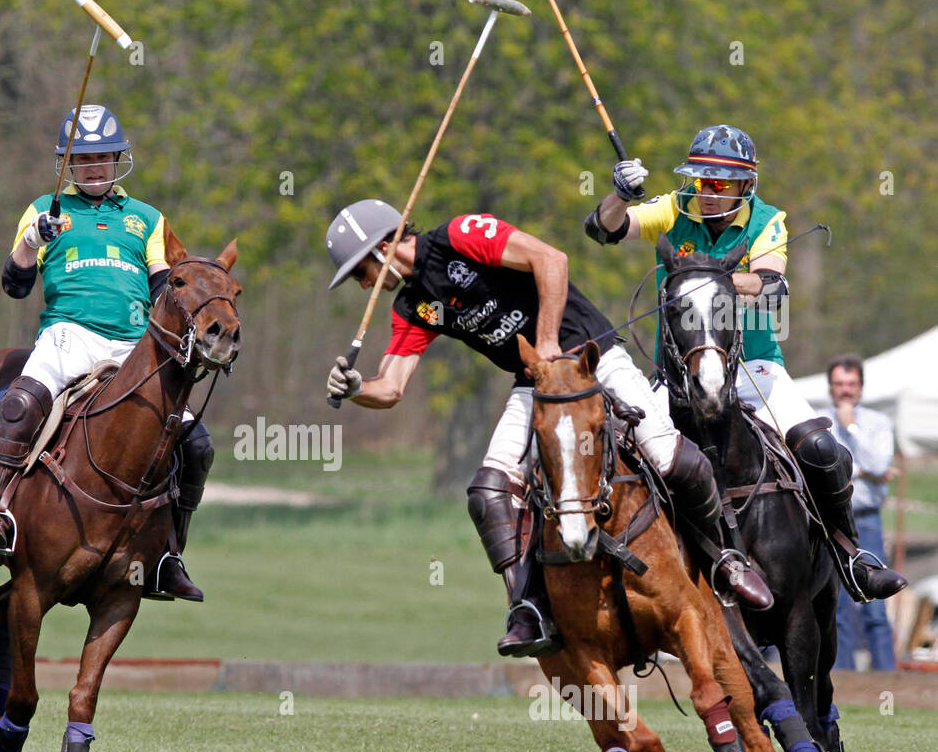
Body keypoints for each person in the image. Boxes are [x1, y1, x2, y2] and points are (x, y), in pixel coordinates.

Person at [323, 199, 772, 656]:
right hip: (535, 381)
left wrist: (547, 341)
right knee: (489, 491)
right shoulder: (413, 304)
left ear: (381, 250)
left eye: (360, 273)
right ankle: (528, 606)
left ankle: (727, 559)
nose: (363, 286)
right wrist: (357, 387)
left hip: (589, 353)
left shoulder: (460, 235)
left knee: (668, 455)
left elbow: (550, 259)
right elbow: (392, 387)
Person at [585, 124, 906, 605]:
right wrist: (619, 195)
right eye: (699, 180)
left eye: (719, 184)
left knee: (822, 448)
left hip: (754, 370)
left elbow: (772, 286)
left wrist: (711, 281)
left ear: (745, 186)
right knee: (618, 454)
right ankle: (608, 575)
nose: (707, 193)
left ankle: (850, 557)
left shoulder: (767, 220)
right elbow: (603, 229)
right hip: (678, 379)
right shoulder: (674, 208)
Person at [0, 104, 213, 601]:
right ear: (67, 163)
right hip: (67, 335)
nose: (95, 165)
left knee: (197, 443)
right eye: (83, 158)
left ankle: (169, 552)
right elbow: (13, 284)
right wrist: (30, 241)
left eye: (104, 155)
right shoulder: (46, 209)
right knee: (18, 404)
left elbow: (165, 285)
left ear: (118, 157)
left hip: (134, 347)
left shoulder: (147, 218)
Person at [827, 355, 897, 670]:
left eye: (851, 384)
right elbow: (825, 471)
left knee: (876, 604)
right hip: (831, 522)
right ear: (830, 387)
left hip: (866, 519)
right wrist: (865, 471)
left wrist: (850, 427)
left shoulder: (877, 423)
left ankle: (888, 680)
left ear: (861, 387)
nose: (845, 390)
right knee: (836, 605)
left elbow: (881, 465)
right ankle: (844, 681)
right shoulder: (818, 420)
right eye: (840, 384)